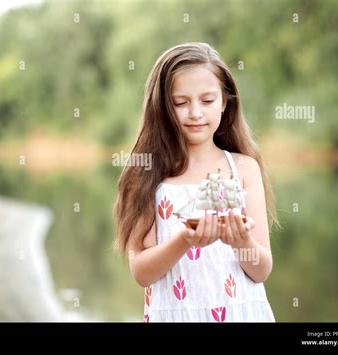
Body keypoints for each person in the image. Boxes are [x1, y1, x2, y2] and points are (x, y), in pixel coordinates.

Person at [114, 42, 279, 322]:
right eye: (180, 103)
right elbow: (141, 273)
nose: (195, 113)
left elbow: (261, 270)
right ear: (163, 107)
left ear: (225, 102)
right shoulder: (146, 174)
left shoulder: (242, 169)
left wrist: (241, 241)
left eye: (207, 100)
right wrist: (185, 240)